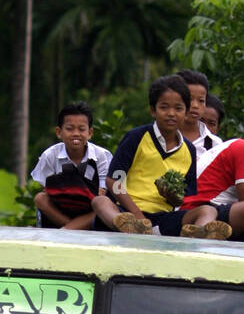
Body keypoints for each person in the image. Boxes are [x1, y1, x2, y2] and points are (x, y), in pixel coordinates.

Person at [91, 76, 198, 236]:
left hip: (163, 218)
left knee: (206, 211)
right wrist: (138, 217)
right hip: (126, 211)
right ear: (153, 110)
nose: (171, 114)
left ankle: (199, 233)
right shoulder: (136, 137)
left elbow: (184, 198)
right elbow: (113, 180)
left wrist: (171, 196)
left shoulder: (189, 150)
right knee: (100, 201)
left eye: (178, 108)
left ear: (186, 112)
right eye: (164, 107)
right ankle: (126, 226)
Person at [31, 102, 113, 230]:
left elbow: (102, 192)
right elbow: (46, 190)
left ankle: (68, 230)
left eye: (81, 129)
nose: (76, 133)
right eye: (69, 129)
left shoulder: (101, 156)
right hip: (61, 208)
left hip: (90, 208)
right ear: (59, 132)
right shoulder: (49, 155)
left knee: (104, 203)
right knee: (40, 198)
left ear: (90, 133)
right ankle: (74, 227)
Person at [176, 68, 218, 159]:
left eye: (201, 101)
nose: (195, 105)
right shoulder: (161, 136)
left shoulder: (214, 144)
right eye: (190, 99)